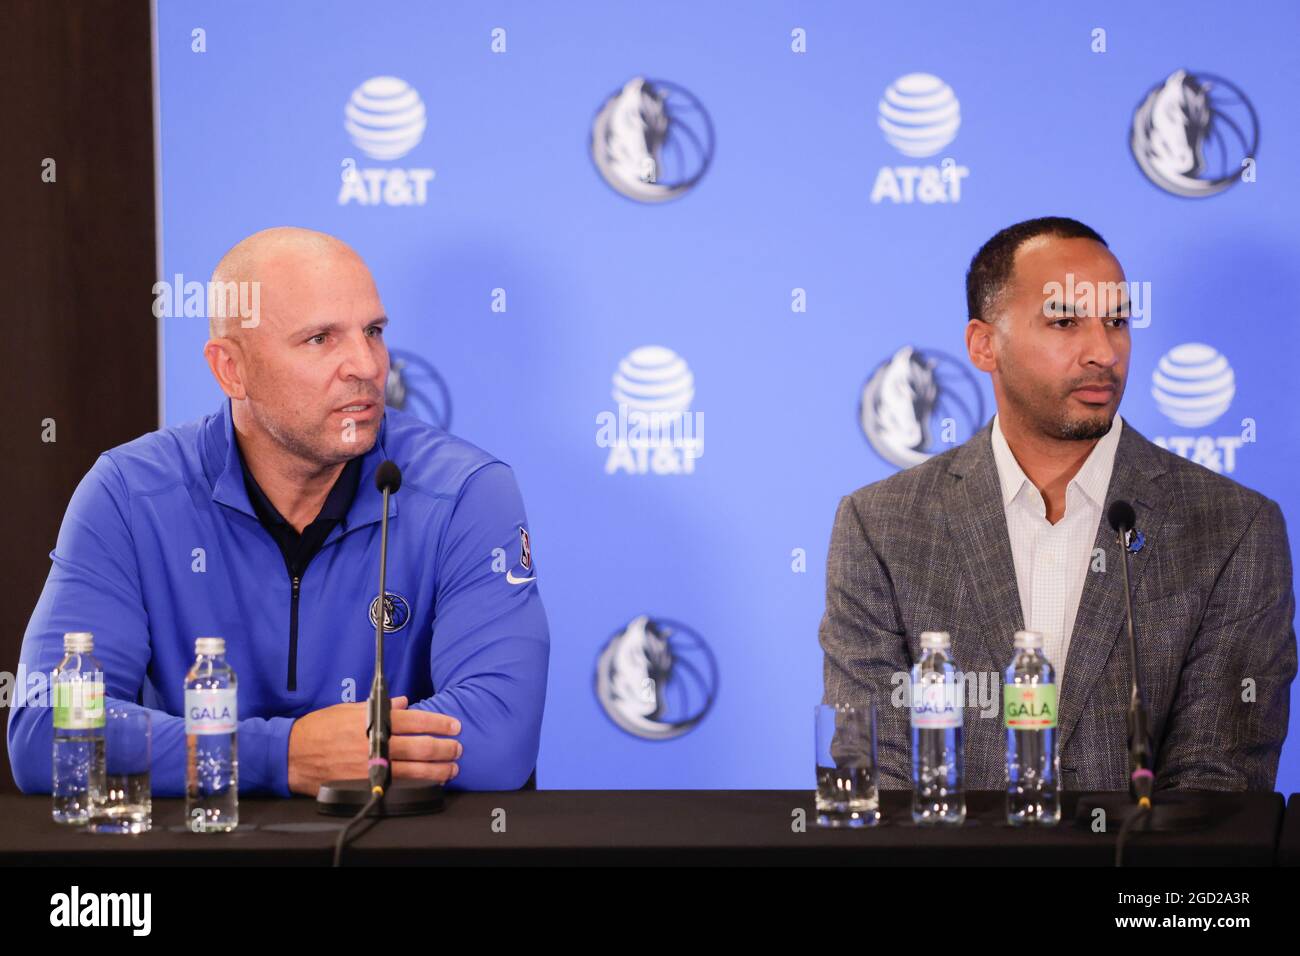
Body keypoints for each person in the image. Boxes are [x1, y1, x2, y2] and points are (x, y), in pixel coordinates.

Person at [9, 226, 550, 796]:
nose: (366, 366)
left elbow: (497, 740)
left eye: (373, 331)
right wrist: (283, 756)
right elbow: (49, 731)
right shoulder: (128, 493)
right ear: (230, 370)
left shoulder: (466, 491)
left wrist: (226, 754)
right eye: (320, 339)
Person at [820, 216, 1295, 791]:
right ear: (984, 344)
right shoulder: (881, 527)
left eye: (1117, 321)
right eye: (1065, 321)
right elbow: (876, 775)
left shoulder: (1232, 528)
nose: (1103, 351)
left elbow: (1216, 785)